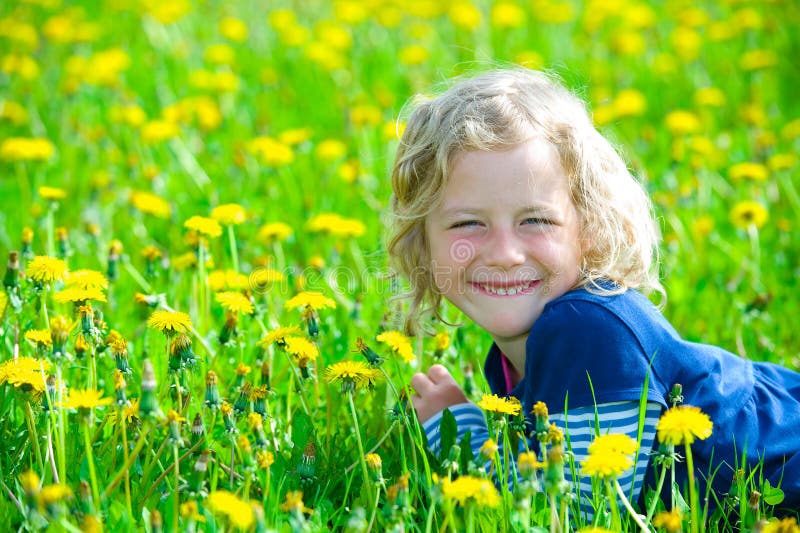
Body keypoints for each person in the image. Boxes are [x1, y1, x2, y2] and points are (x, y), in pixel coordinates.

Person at [386, 67, 800, 517]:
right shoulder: (523, 347)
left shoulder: (588, 330)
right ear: (422, 240)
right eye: (468, 223)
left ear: (589, 227)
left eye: (535, 220)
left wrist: (459, 434)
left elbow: (570, 510)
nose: (504, 253)